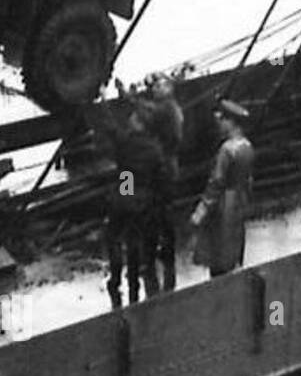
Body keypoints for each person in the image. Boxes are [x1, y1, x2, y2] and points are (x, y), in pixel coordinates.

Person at [102, 103, 165, 306]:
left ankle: (115, 275)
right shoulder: (155, 149)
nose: (130, 120)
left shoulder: (126, 142)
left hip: (125, 187)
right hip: (142, 196)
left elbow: (111, 129)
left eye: (134, 118)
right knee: (134, 239)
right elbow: (158, 179)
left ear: (140, 124)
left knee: (113, 236)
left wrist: (102, 101)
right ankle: (134, 279)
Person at [191, 98, 255, 277]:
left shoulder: (227, 150)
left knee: (219, 251)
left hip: (223, 205)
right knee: (235, 247)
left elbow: (216, 182)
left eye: (222, 121)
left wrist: (201, 211)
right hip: (240, 200)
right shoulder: (247, 146)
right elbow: (249, 179)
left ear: (230, 122)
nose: (220, 125)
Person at [137, 76, 183, 291]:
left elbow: (150, 115)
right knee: (164, 212)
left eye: (159, 86)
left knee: (153, 214)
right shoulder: (171, 108)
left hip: (159, 170)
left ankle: (149, 261)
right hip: (167, 167)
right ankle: (167, 256)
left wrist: (130, 98)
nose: (155, 89)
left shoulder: (165, 110)